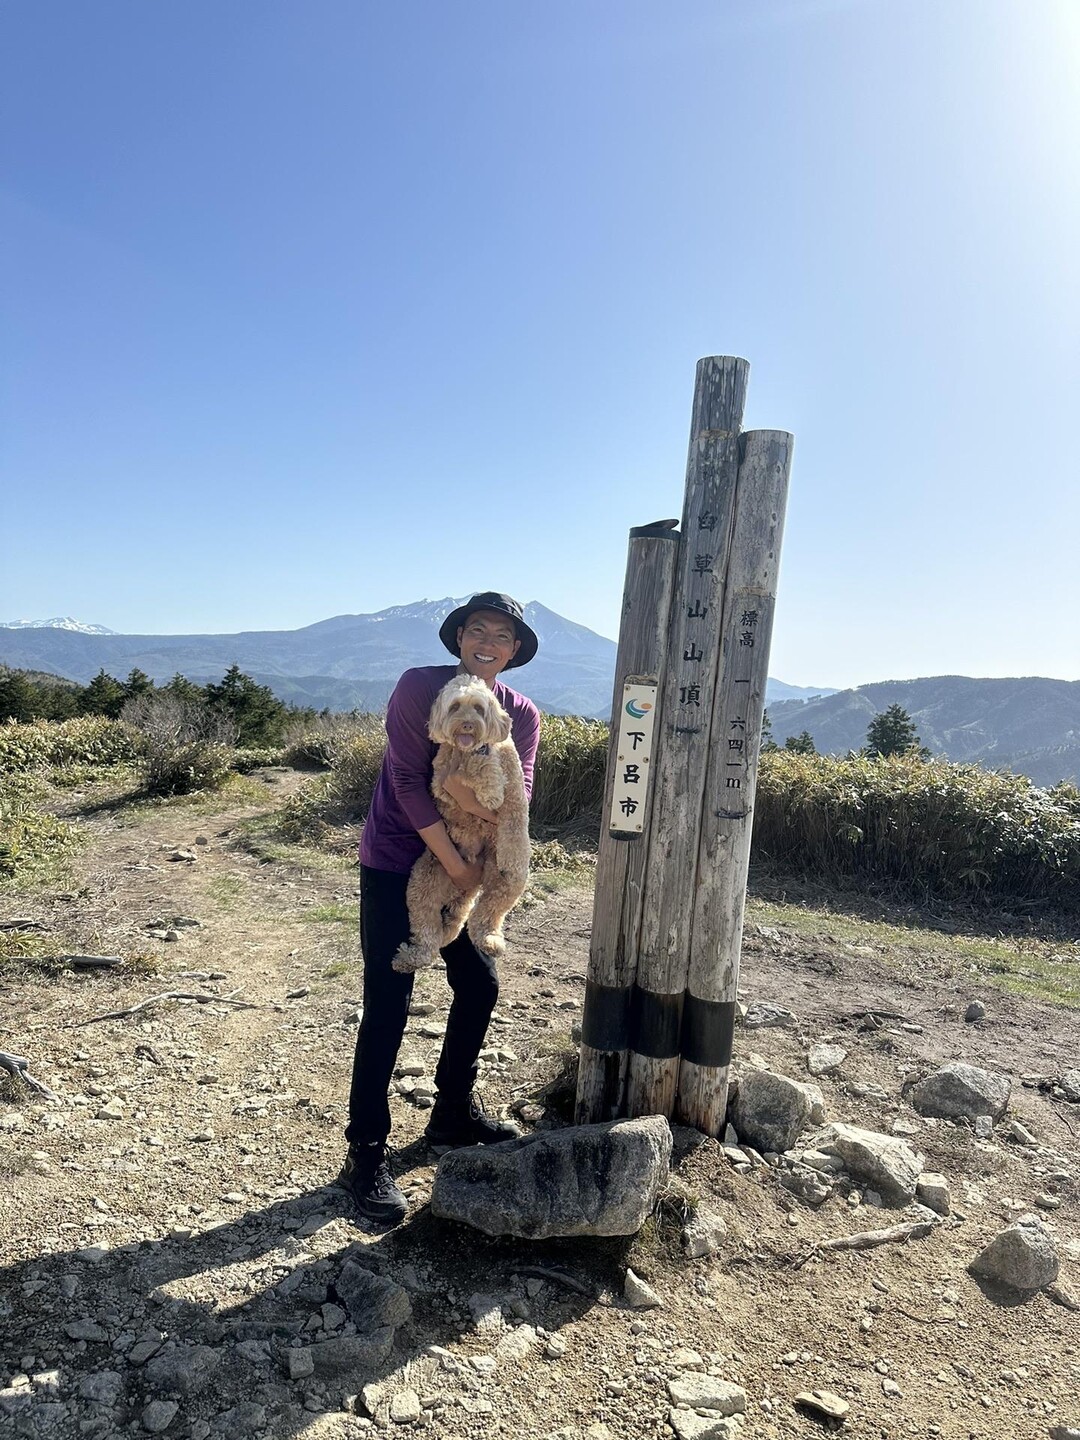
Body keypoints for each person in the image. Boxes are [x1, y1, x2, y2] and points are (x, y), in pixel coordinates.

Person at [338, 593, 541, 1224]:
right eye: (477, 628)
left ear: (513, 651)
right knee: (390, 1000)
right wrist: (455, 864)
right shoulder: (418, 687)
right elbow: (403, 779)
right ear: (459, 638)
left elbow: (520, 795)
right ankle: (365, 1153)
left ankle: (452, 1113)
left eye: (501, 635)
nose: (488, 641)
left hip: (472, 867)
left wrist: (475, 840)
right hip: (399, 860)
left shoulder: (523, 714)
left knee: (478, 985)